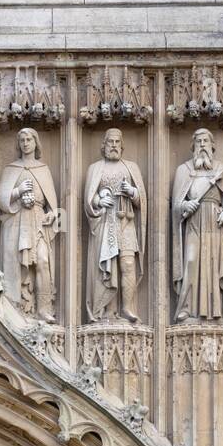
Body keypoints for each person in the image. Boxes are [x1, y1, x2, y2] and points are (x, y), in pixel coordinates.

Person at [172, 128, 223, 322]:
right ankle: (187, 307)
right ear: (193, 146)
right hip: (194, 222)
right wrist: (185, 204)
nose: (202, 145)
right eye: (198, 141)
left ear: (212, 146)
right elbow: (176, 203)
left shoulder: (221, 170)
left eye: (206, 141)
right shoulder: (183, 170)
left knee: (215, 264)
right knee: (191, 261)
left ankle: (218, 310)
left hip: (215, 224)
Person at [0, 127, 59, 322]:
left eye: (29, 140)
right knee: (17, 264)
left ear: (35, 143)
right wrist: (18, 192)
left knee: (43, 260)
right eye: (22, 140)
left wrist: (53, 215)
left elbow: (54, 206)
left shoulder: (43, 169)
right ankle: (15, 308)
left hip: (39, 220)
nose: (25, 143)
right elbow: (1, 200)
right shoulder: (11, 169)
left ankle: (44, 308)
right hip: (17, 221)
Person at [84, 128, 146, 322]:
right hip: (105, 221)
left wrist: (132, 192)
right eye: (110, 142)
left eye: (117, 142)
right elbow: (89, 197)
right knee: (107, 265)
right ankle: (108, 311)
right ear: (104, 145)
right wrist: (98, 200)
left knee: (128, 264)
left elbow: (141, 201)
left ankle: (127, 308)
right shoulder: (95, 168)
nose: (113, 145)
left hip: (126, 221)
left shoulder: (131, 167)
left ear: (122, 145)